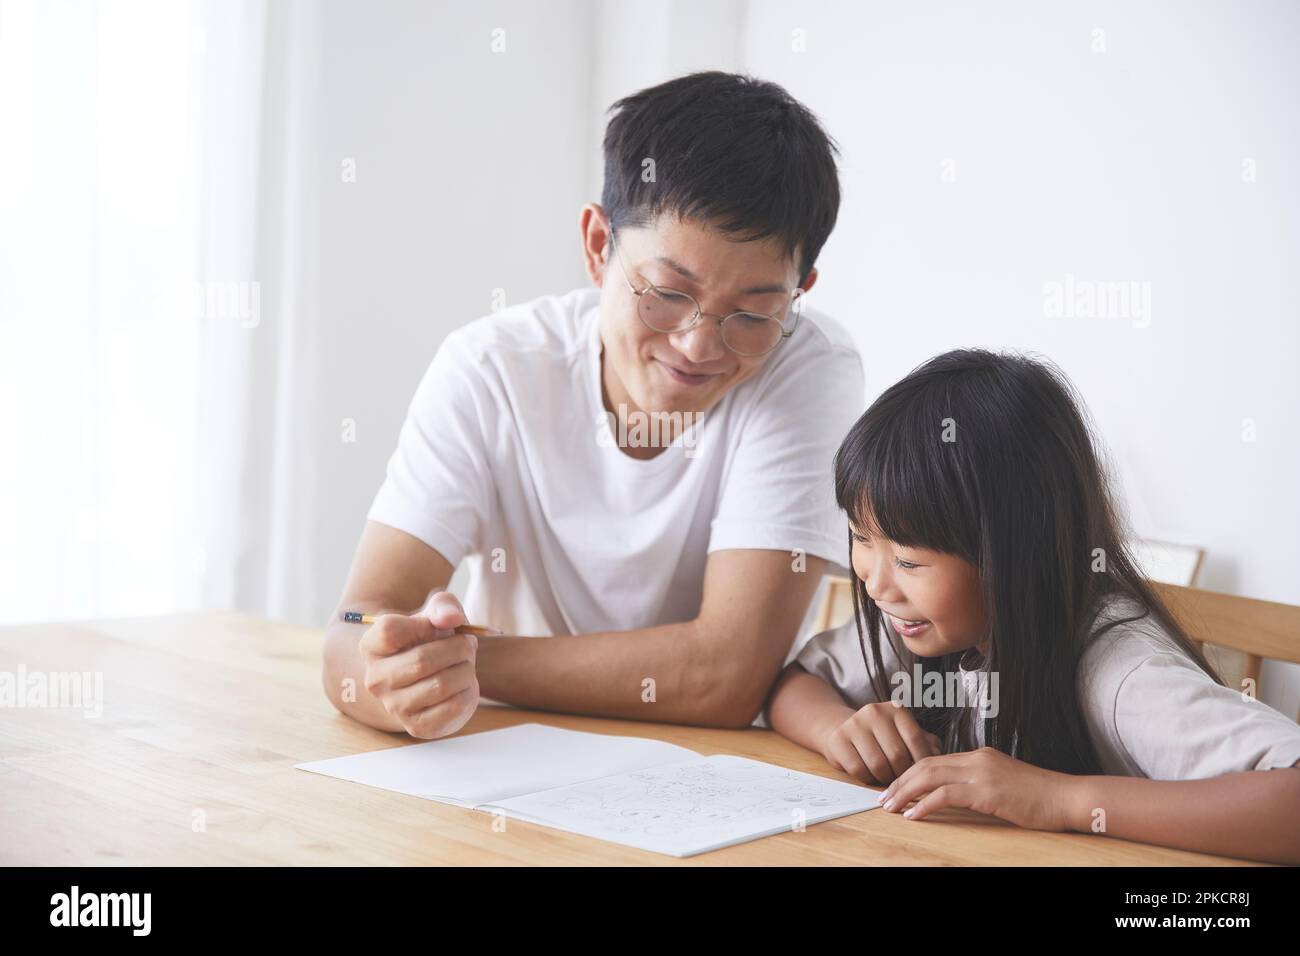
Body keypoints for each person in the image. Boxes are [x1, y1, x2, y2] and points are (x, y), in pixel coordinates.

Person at [322, 72, 863, 739]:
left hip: (714, 776)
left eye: (753, 312)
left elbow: (726, 675)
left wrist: (464, 661)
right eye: (667, 293)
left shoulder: (807, 367)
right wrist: (387, 672)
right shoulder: (492, 369)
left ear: (800, 290)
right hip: (499, 755)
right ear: (598, 245)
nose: (698, 345)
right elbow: (353, 627)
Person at [767, 349, 1300, 864]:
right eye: (861, 537)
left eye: (908, 560)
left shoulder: (1118, 670)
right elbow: (793, 685)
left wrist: (1058, 799)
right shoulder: (921, 620)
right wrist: (838, 728)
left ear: (1017, 551)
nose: (877, 583)